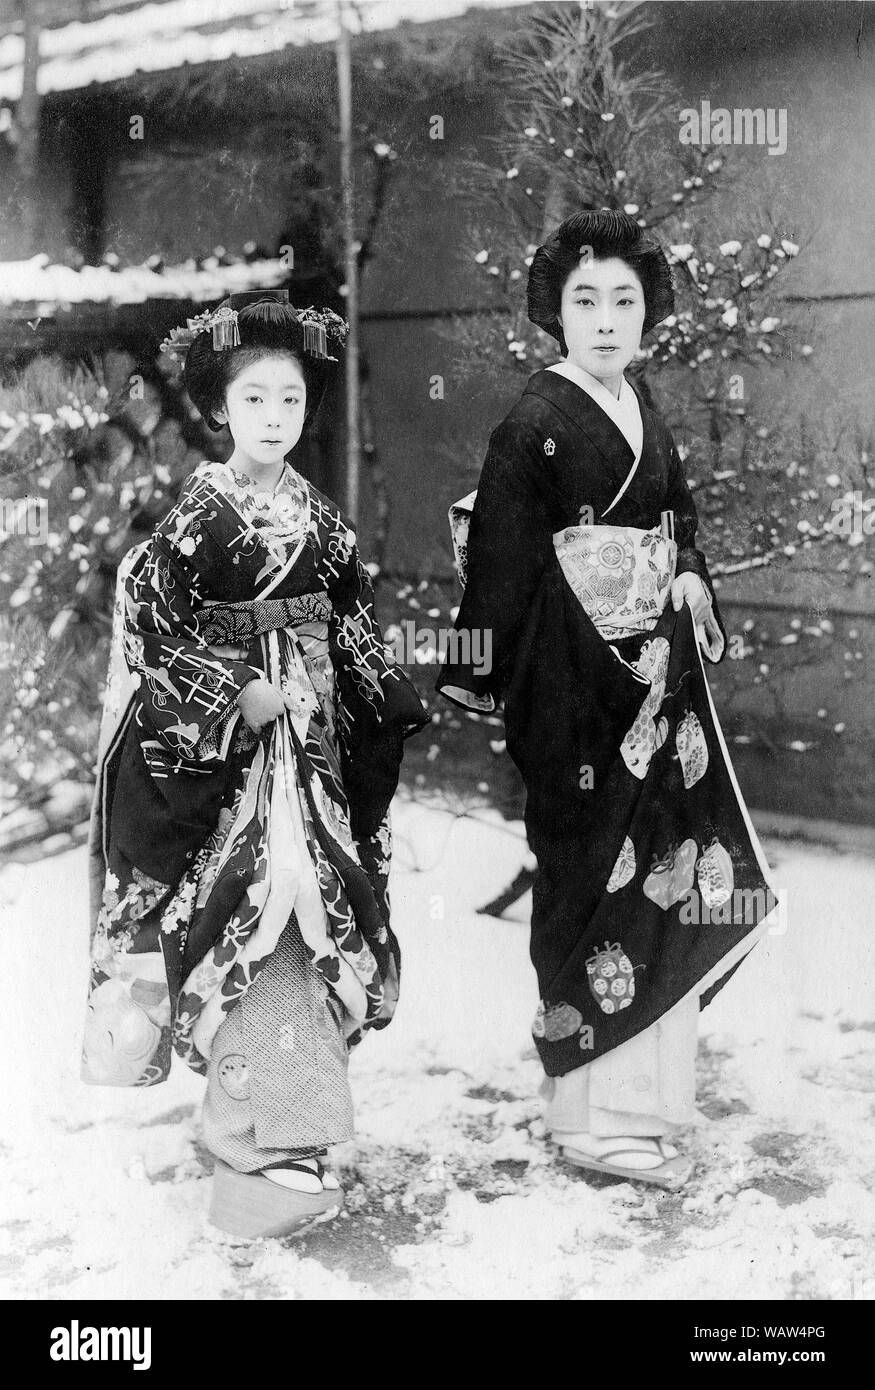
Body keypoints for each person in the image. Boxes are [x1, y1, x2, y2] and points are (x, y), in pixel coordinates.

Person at [437, 211, 778, 1189]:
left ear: (646, 313)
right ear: (554, 309)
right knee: (587, 877)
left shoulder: (645, 410)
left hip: (651, 692)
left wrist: (684, 579)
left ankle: (647, 1102)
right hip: (571, 691)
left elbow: (679, 525)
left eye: (621, 300)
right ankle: (586, 1115)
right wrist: (472, 667)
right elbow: (498, 568)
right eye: (582, 299)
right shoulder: (534, 421)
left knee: (657, 878)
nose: (602, 318)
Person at [83, 290, 427, 1237]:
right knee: (253, 902)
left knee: (315, 907)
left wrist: (378, 690)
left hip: (308, 753)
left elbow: (348, 618)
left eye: (289, 402)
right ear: (222, 412)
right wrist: (233, 691)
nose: (274, 419)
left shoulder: (320, 518)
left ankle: (287, 1134)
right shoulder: (196, 517)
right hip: (226, 770)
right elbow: (153, 630)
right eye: (255, 402)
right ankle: (252, 1152)